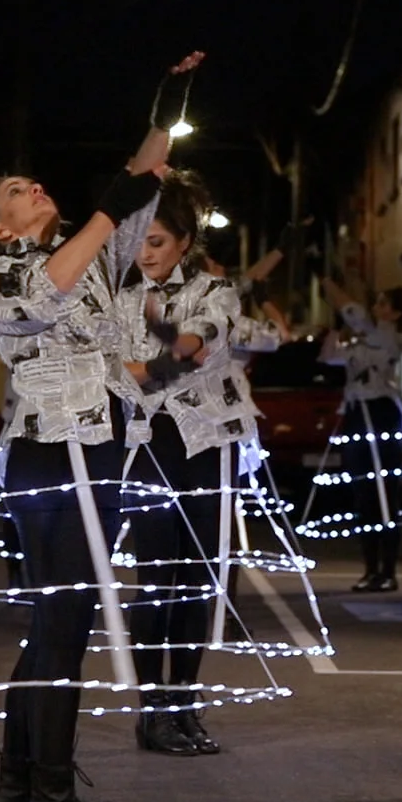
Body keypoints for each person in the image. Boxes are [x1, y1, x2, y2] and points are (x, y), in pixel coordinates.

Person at [0, 111, 175, 802]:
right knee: (64, 627)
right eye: (17, 191)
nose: (34, 187)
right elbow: (46, 293)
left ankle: (16, 794)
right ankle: (52, 799)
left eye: (33, 181)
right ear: (0, 228)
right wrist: (107, 210)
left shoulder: (93, 257)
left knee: (54, 627)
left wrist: (167, 107)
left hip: (100, 451)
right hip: (50, 455)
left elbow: (143, 180)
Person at [117, 171, 244, 757]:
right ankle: (152, 711)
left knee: (197, 581)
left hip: (204, 445)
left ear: (185, 243)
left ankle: (186, 702)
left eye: (158, 242)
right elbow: (117, 371)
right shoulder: (118, 297)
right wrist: (156, 363)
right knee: (155, 579)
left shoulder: (217, 291)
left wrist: (164, 352)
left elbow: (200, 340)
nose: (146, 254)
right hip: (147, 445)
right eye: (140, 242)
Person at [318, 275, 402, 592]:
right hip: (356, 413)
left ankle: (388, 570)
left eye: (383, 304)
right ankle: (370, 568)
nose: (377, 308)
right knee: (363, 494)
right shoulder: (363, 340)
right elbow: (329, 356)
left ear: (396, 313)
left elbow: (356, 314)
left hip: (381, 413)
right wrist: (335, 328)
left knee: (385, 493)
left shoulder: (390, 337)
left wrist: (330, 284)